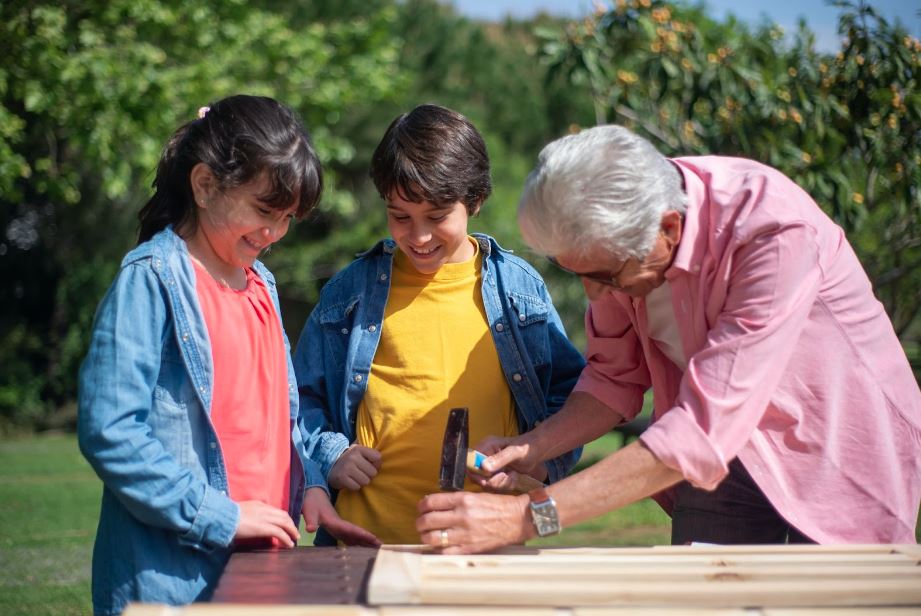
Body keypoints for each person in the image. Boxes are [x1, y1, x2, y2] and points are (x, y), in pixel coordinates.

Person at [415, 124, 921, 553]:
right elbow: (613, 379)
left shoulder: (772, 231)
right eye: (579, 276)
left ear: (670, 228)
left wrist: (526, 518)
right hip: (719, 460)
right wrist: (532, 445)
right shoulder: (615, 233)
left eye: (607, 277)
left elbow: (699, 434)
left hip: (835, 449)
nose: (595, 292)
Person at [78, 94, 379, 616]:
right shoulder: (151, 280)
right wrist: (220, 516)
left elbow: (275, 417)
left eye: (288, 218)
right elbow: (111, 432)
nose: (275, 233)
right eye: (265, 210)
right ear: (203, 185)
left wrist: (307, 483)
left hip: (263, 567)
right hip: (171, 578)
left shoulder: (262, 283)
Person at [293, 104, 585, 546]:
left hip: (487, 543)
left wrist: (542, 462)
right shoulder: (348, 292)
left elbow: (574, 394)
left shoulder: (520, 289)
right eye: (401, 217)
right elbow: (300, 399)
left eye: (436, 216)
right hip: (364, 544)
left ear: (475, 200)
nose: (419, 236)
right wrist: (331, 455)